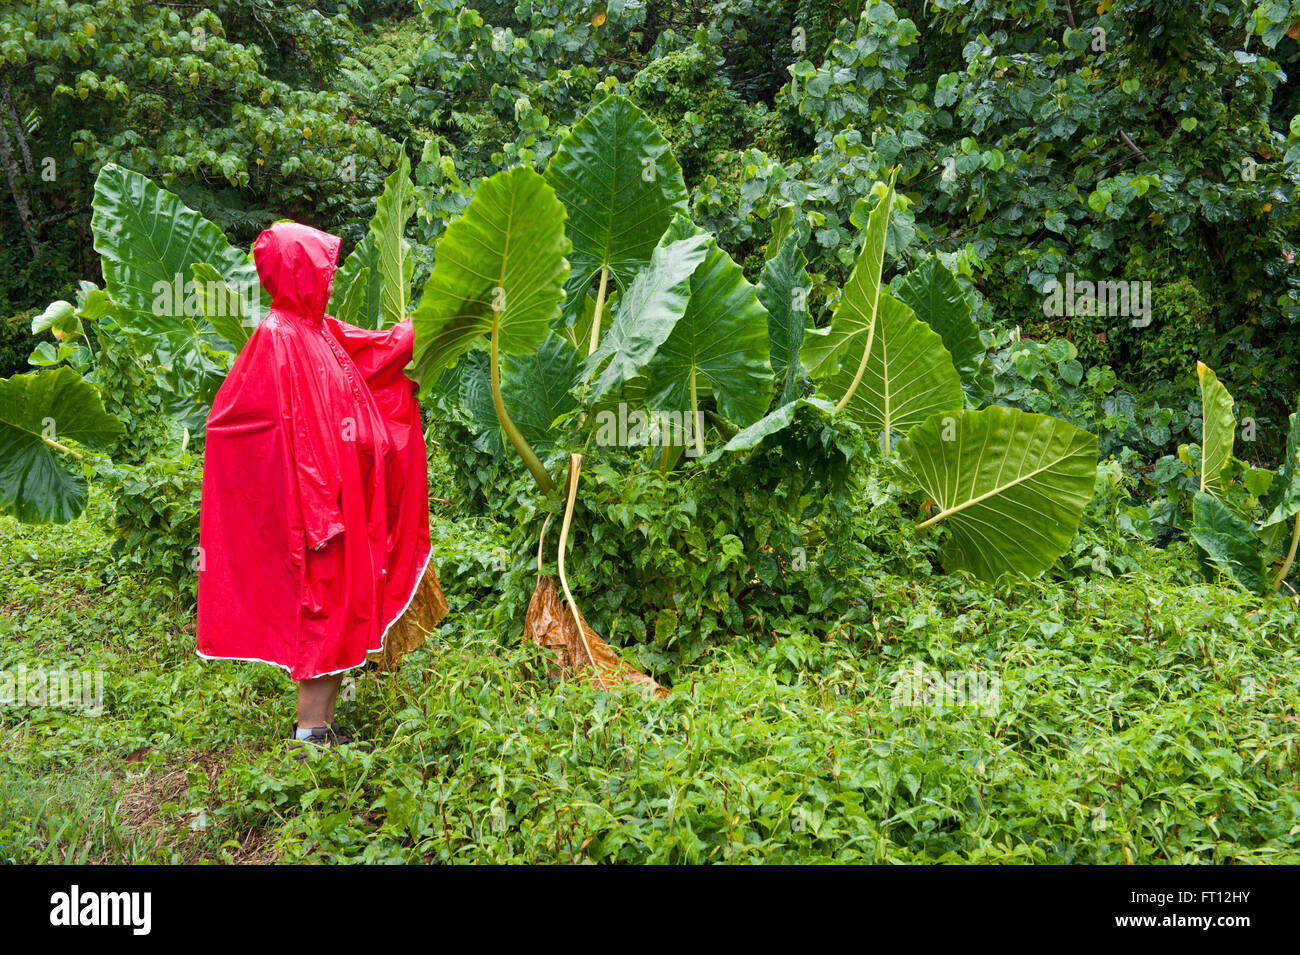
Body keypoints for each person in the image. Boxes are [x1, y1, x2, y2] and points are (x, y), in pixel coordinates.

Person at [195, 221, 432, 753]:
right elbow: (245, 424)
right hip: (317, 511)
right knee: (321, 612)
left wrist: (433, 323)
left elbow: (373, 355)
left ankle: (323, 724)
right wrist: (315, 502)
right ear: (298, 270)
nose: (329, 278)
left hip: (339, 500)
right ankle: (309, 735)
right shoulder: (276, 339)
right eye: (321, 268)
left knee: (342, 608)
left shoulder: (316, 328)